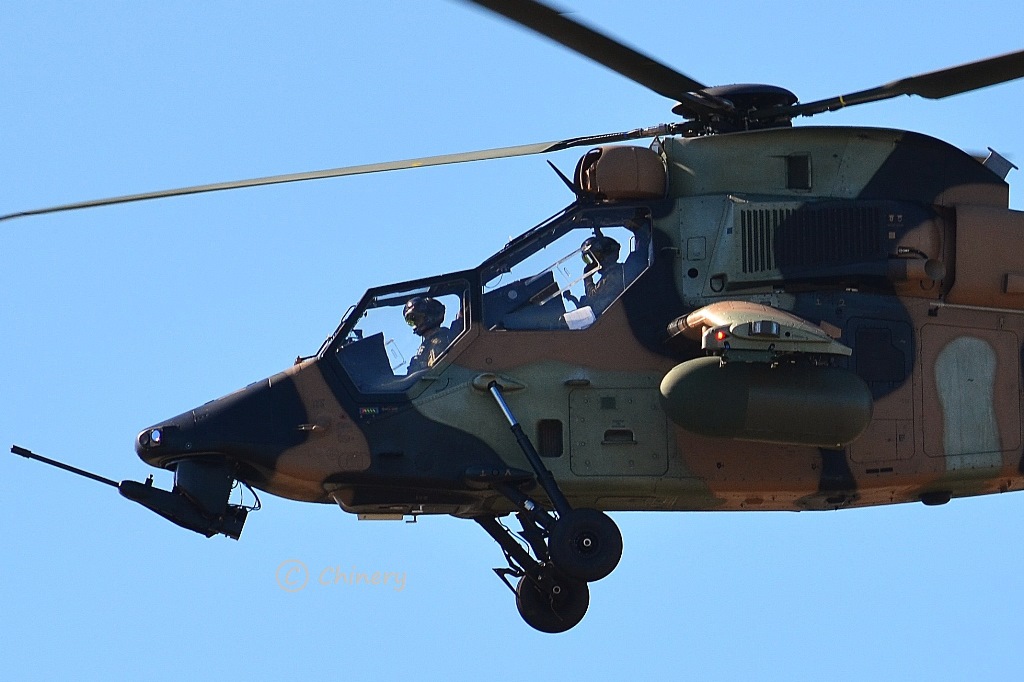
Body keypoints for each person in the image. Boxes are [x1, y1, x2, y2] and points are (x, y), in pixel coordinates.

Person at [564, 235, 624, 313]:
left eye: (590, 258)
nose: (590, 264)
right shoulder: (613, 272)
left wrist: (587, 276)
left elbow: (592, 296)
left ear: (601, 255)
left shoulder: (614, 274)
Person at [404, 296, 454, 372]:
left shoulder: (440, 341)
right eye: (411, 321)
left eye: (416, 318)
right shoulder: (426, 345)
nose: (415, 324)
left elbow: (435, 372)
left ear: (429, 316)